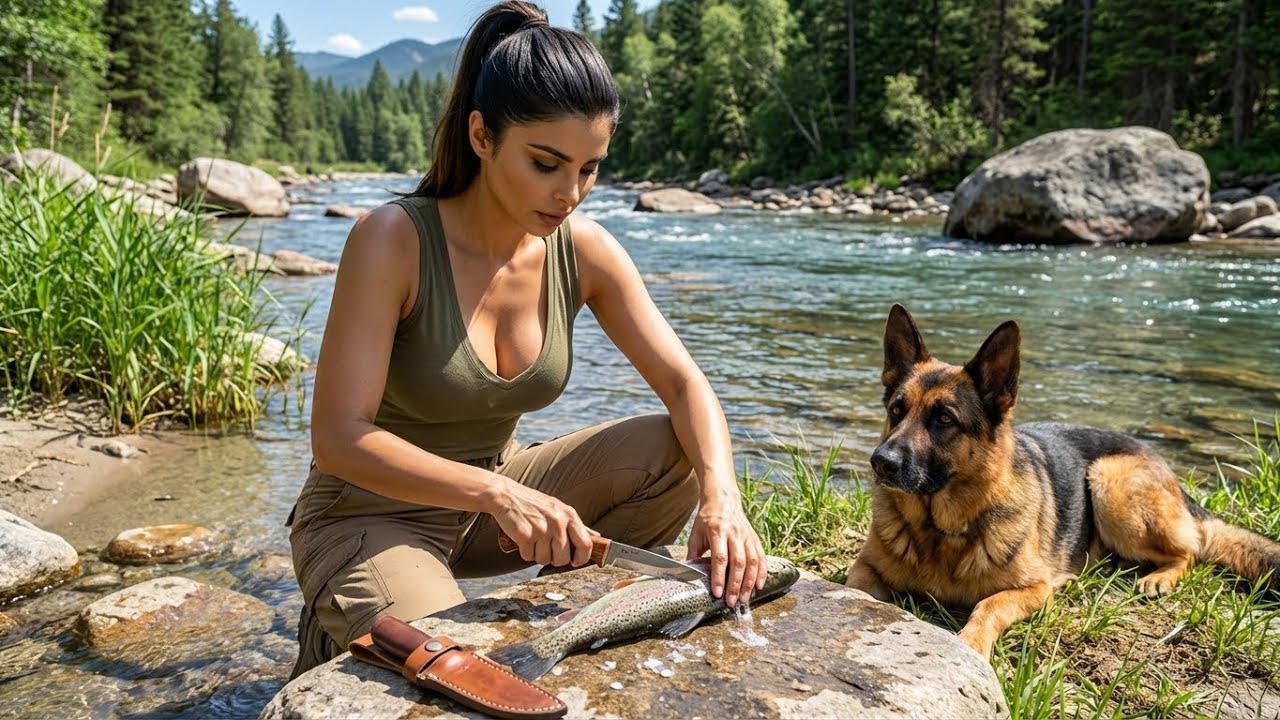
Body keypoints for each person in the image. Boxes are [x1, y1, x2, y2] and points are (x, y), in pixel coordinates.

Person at [287, 0, 766, 678]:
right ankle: (339, 633)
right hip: (367, 514)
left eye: (590, 168)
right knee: (465, 672)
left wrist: (725, 500)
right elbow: (338, 437)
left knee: (674, 450)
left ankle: (572, 620)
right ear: (482, 136)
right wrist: (499, 496)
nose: (570, 193)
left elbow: (686, 385)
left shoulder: (587, 251)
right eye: (546, 163)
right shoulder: (391, 240)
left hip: (488, 506)